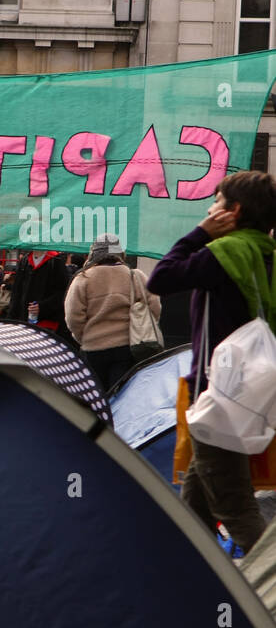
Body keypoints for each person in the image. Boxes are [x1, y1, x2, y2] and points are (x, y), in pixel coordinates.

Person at [147, 170, 276, 554]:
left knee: (234, 503)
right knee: (197, 503)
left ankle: (268, 593)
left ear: (232, 211)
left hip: (217, 394)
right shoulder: (266, 255)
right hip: (253, 391)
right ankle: (193, 578)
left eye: (216, 202)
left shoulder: (225, 252)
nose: (209, 208)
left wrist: (201, 233)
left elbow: (161, 278)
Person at [63, 233, 160, 391]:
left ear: (94, 254)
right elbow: (154, 308)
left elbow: (73, 318)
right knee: (120, 396)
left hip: (93, 349)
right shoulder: (136, 276)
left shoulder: (83, 278)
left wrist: (85, 337)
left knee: (98, 397)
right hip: (127, 347)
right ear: (120, 253)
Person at [7, 248, 72, 339]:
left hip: (47, 323)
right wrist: (11, 319)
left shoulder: (56, 260)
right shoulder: (25, 260)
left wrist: (42, 307)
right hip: (24, 321)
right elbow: (16, 292)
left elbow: (63, 292)